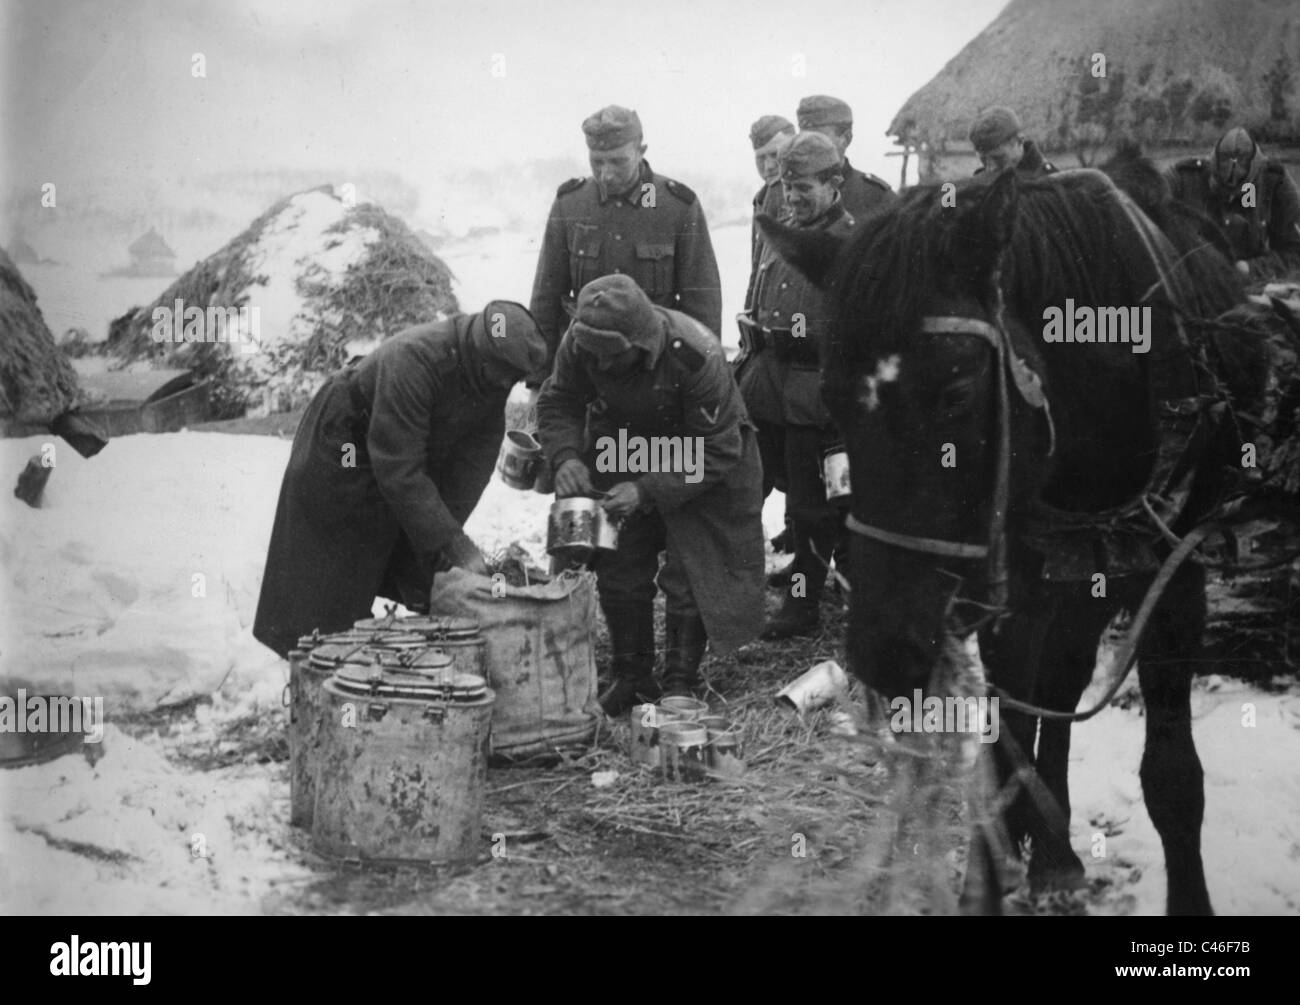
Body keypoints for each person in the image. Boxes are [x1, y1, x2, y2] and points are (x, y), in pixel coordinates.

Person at [252, 302, 548, 659]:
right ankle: (319, 671)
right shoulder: (415, 359)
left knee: (405, 551)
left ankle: (364, 657)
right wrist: (453, 543)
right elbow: (400, 471)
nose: (505, 385)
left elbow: (469, 475)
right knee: (330, 571)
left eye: (513, 379)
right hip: (345, 437)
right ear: (481, 352)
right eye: (501, 374)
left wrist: (447, 544)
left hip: (398, 447)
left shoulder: (489, 379)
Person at [536, 275, 764, 716]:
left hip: (702, 455)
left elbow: (717, 447)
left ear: (640, 344)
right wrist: (565, 457)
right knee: (618, 561)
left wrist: (646, 490)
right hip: (624, 446)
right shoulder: (580, 340)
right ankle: (632, 675)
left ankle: (680, 678)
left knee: (693, 567)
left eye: (611, 358)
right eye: (592, 357)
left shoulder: (696, 356)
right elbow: (558, 401)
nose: (599, 368)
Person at [739, 132, 857, 639]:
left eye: (803, 188)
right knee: (750, 488)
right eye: (786, 187)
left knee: (812, 509)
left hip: (815, 394)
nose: (790, 198)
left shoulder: (853, 244)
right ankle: (760, 583)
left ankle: (803, 604)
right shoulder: (778, 232)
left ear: (834, 183)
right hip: (765, 385)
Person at [528, 105, 723, 386]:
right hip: (584, 371)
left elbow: (702, 303)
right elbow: (546, 297)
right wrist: (539, 380)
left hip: (654, 372)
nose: (606, 174)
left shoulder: (675, 206)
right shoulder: (570, 203)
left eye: (618, 161)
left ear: (641, 151)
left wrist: (702, 376)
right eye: (597, 161)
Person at [1166, 126, 1300, 281]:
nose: (1228, 194)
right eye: (1220, 186)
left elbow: (1295, 252)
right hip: (1194, 282)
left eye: (1239, 188)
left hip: (1250, 285)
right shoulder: (1184, 177)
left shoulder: (1275, 181)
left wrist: (1251, 269)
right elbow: (1149, 196)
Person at [796, 95, 895, 218]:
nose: (807, 147)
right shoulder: (785, 193)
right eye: (802, 139)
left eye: (818, 139)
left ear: (846, 139)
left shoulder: (876, 196)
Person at [968, 106, 1057, 177]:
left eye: (998, 158)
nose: (991, 168)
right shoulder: (982, 180)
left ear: (1019, 141)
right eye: (983, 159)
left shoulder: (1049, 182)